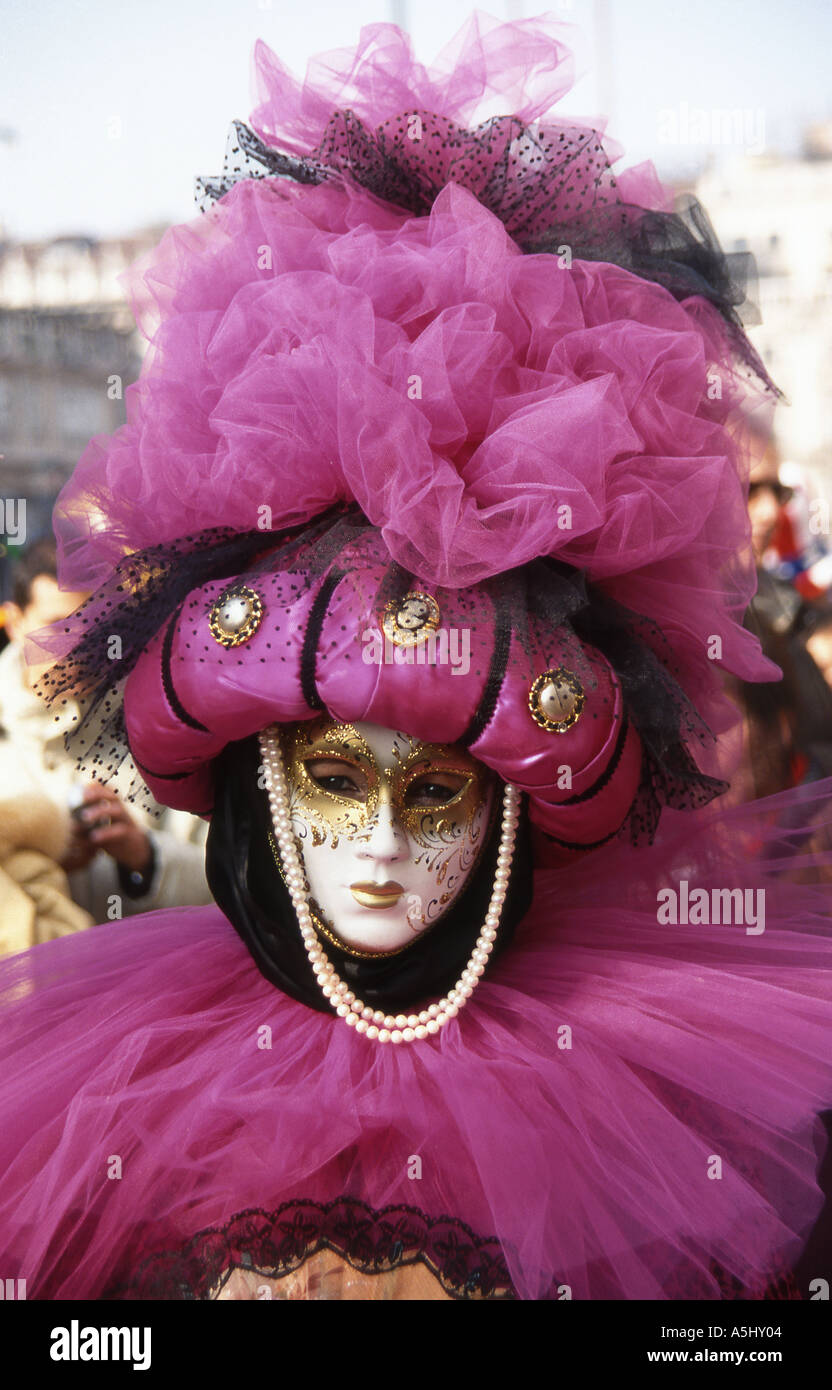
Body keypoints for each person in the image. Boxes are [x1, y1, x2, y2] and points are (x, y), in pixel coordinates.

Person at [1, 14, 831, 1302]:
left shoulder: (656, 1115)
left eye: (433, 789)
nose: (381, 847)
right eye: (337, 778)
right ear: (261, 782)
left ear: (503, 802)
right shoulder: (119, 1106)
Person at [0, 537, 213, 932]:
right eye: (58, 625)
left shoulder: (164, 725)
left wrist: (144, 857)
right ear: (14, 622)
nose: (81, 644)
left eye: (95, 625)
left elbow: (229, 882)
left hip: (148, 982)